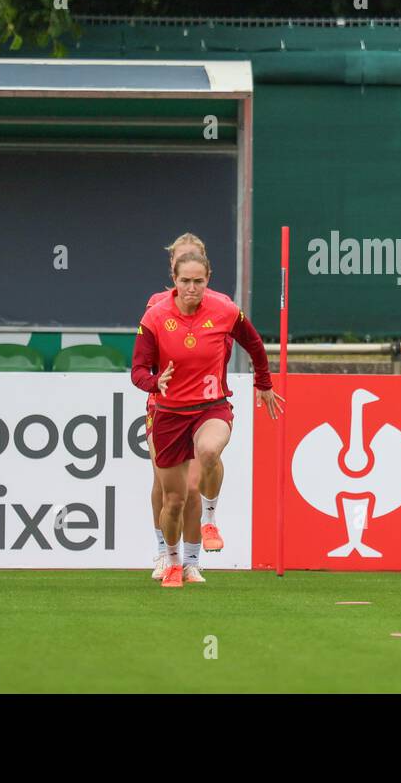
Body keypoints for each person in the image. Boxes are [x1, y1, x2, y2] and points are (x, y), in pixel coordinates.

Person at [131, 252, 281, 588]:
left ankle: (196, 557)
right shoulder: (154, 317)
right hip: (169, 414)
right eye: (185, 281)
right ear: (174, 278)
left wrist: (264, 383)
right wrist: (157, 382)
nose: (191, 288)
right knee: (174, 499)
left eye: (199, 281)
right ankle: (171, 561)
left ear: (208, 279)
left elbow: (254, 344)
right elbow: (138, 371)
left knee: (208, 455)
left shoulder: (225, 311)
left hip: (211, 407)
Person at [143, 233, 234, 582]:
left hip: (202, 404)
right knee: (165, 486)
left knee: (193, 485)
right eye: (180, 263)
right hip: (162, 404)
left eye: (195, 265)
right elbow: (146, 357)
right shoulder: (156, 305)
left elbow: (227, 346)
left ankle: (192, 558)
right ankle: (164, 555)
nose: (189, 284)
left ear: (206, 269)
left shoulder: (221, 305)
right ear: (173, 268)